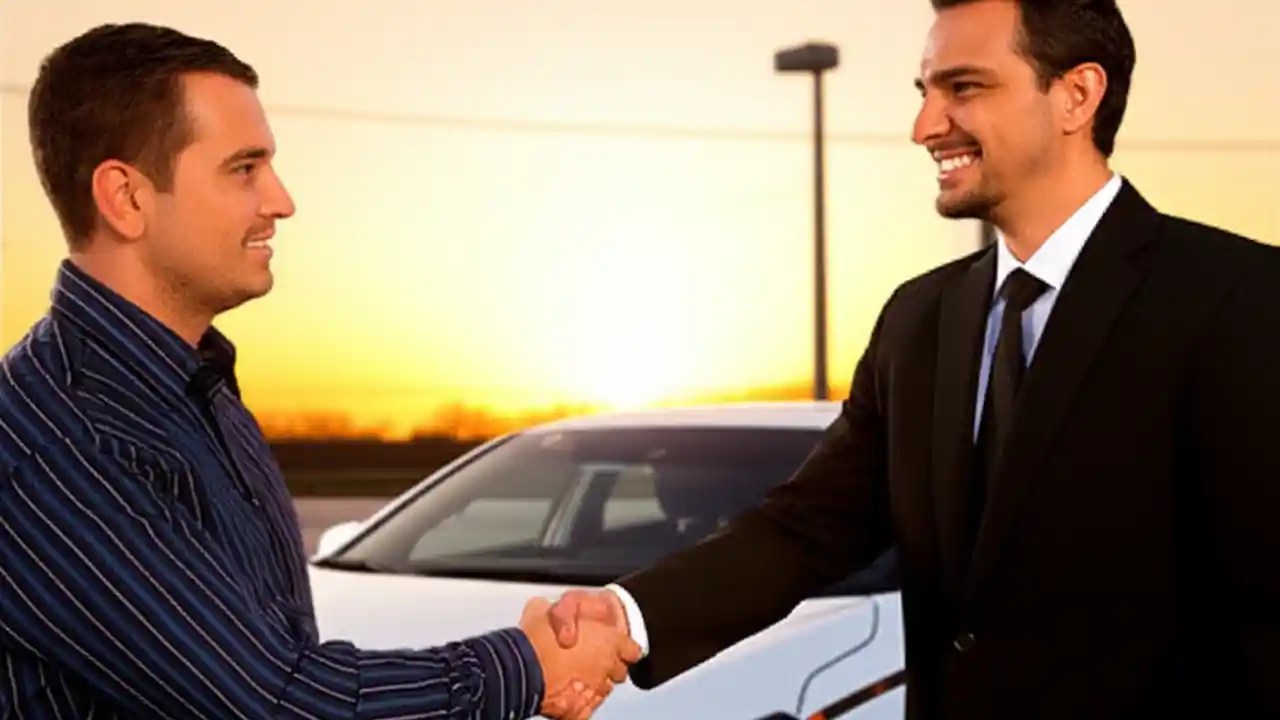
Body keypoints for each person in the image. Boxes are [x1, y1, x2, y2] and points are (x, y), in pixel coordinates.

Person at [547, 1, 1280, 718]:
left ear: (1077, 95)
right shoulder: (919, 318)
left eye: (964, 87)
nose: (924, 126)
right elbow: (811, 525)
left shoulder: (1240, 300)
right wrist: (626, 615)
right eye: (925, 92)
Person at [0, 23, 637, 720]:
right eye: (244, 169)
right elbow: (274, 703)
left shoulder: (196, 391)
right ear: (126, 198)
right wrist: (530, 666)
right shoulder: (56, 444)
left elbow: (274, 661)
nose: (280, 200)